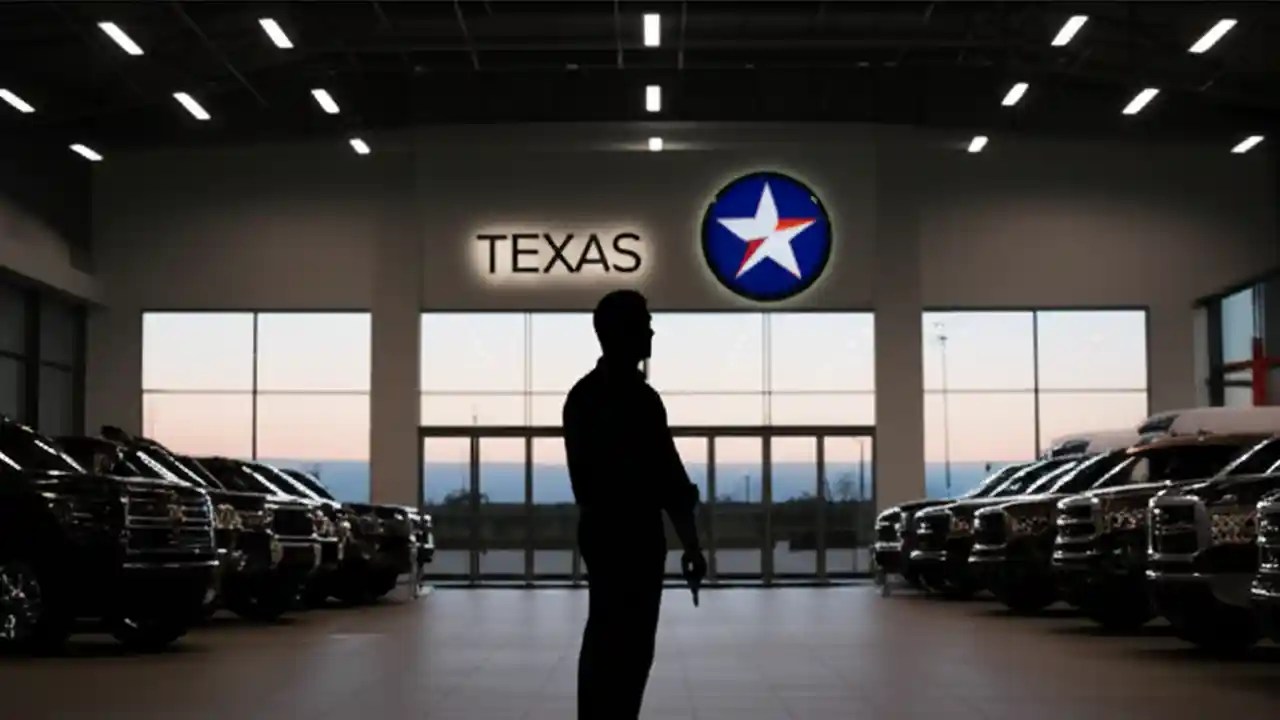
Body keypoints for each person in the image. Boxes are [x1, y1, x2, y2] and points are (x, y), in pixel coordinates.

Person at [562, 289, 707, 720]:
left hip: (601, 533)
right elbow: (669, 480)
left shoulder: (581, 397)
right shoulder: (641, 401)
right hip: (635, 537)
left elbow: (589, 481)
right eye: (644, 322)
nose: (651, 330)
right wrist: (692, 546)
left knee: (605, 635)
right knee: (633, 644)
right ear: (624, 332)